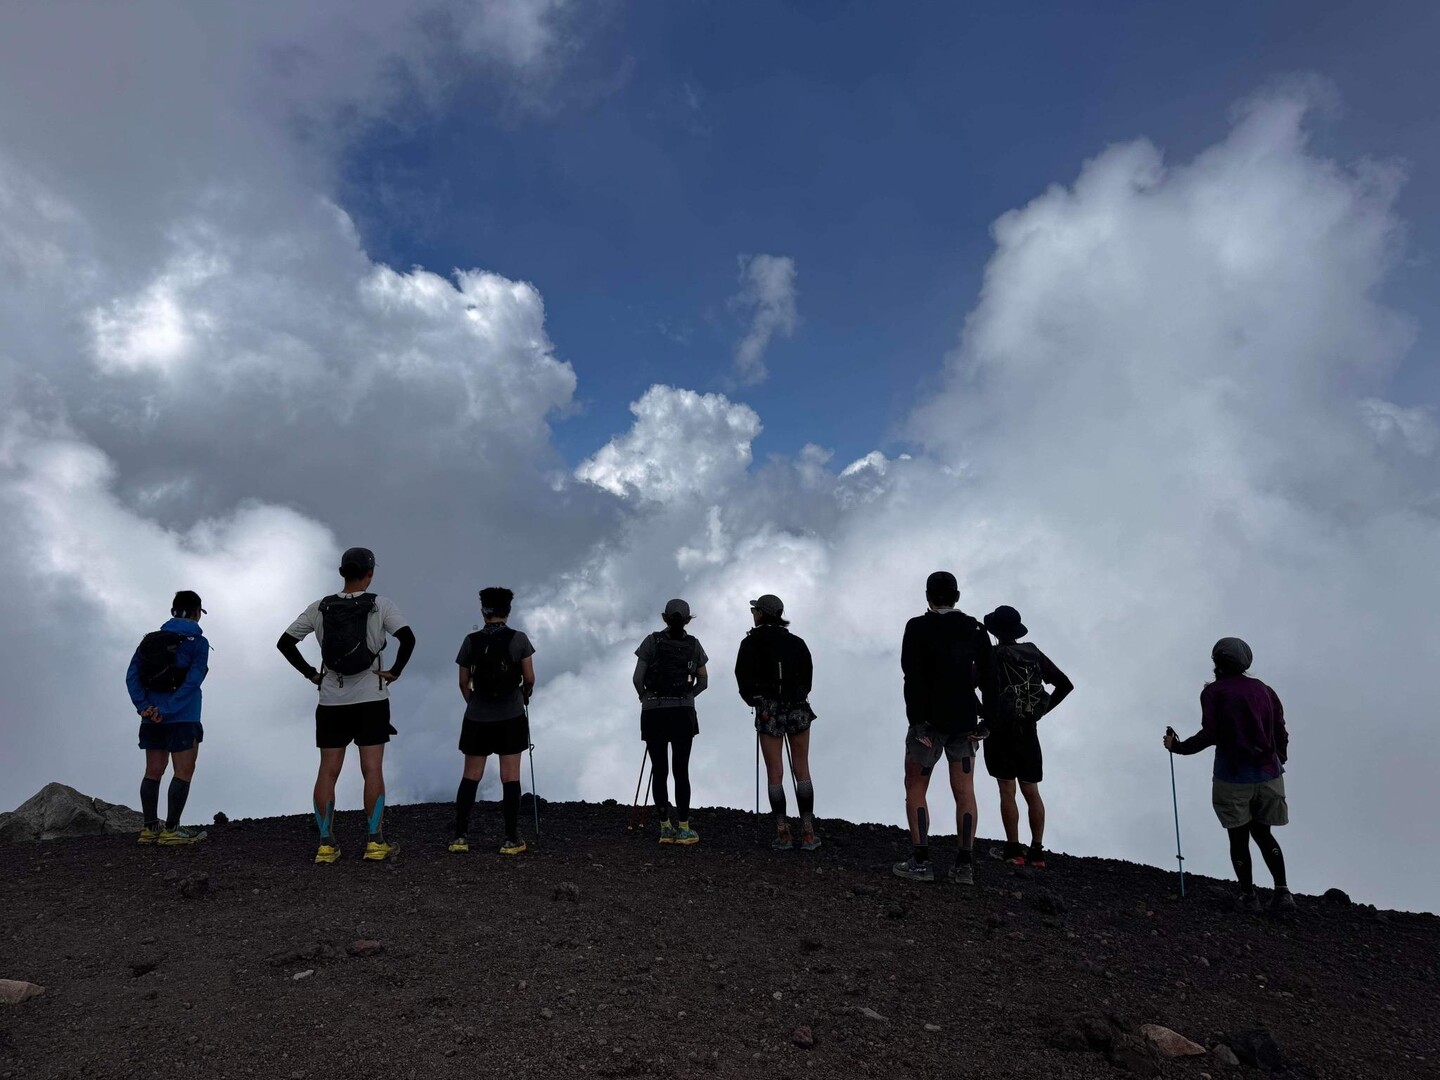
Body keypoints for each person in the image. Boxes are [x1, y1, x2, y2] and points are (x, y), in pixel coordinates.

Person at [276, 547, 415, 864]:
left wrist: (312, 674)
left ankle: (326, 844)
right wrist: (394, 672)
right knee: (372, 769)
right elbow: (408, 639)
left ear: (342, 572)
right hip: (371, 699)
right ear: (370, 573)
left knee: (328, 770)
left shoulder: (320, 607)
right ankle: (375, 842)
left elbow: (285, 642)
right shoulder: (381, 605)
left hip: (331, 700)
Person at [1164, 637, 1294, 915]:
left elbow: (1211, 733)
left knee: (1238, 838)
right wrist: (1278, 759)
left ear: (1216, 662)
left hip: (1232, 777)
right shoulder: (1264, 690)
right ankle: (1282, 893)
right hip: (1269, 774)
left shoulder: (1214, 693)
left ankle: (1249, 897)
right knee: (1264, 834)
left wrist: (1178, 747)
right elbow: (1280, 728)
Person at [894, 571, 996, 885]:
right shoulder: (975, 628)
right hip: (964, 721)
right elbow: (990, 677)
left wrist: (917, 721)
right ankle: (964, 865)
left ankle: (922, 860)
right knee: (965, 791)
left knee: (915, 788)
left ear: (928, 595)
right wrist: (987, 720)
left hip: (929, 722)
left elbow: (911, 675)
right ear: (956, 596)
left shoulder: (918, 626)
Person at [981, 605, 1073, 867]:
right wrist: (1041, 711)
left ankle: (1013, 851)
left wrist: (985, 713)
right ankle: (1037, 852)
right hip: (1029, 729)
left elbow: (969, 685)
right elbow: (1065, 684)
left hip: (1000, 730)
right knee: (1031, 790)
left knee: (1007, 789)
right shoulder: (1034, 653)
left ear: (995, 631)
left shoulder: (993, 655)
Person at [449, 587, 536, 855]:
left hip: (477, 716)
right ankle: (511, 839)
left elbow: (463, 682)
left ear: (483, 610)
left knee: (470, 776)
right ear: (507, 612)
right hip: (511, 715)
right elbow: (529, 678)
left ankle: (460, 837)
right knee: (510, 777)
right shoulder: (519, 639)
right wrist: (522, 697)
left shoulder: (470, 640)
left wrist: (474, 703)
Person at [734, 594, 820, 851]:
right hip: (797, 706)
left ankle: (783, 833)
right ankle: (807, 832)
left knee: (775, 772)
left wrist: (755, 700)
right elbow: (807, 678)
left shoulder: (750, 643)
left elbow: (743, 678)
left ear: (760, 613)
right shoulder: (797, 642)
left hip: (769, 708)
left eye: (755, 610)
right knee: (801, 769)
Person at [126, 590, 211, 846]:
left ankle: (150, 829)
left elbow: (132, 676)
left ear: (173, 611)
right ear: (197, 612)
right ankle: (172, 829)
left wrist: (145, 707)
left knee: (153, 770)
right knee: (183, 771)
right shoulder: (198, 642)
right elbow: (193, 680)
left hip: (151, 717)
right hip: (183, 716)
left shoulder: (150, 641)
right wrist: (169, 709)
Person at [633, 599, 708, 845]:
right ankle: (684, 828)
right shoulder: (694, 645)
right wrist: (687, 697)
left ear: (664, 618)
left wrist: (646, 697)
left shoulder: (651, 641)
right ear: (688, 620)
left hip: (654, 711)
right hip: (683, 713)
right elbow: (703, 682)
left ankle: (665, 827)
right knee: (680, 770)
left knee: (660, 770)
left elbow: (637, 678)